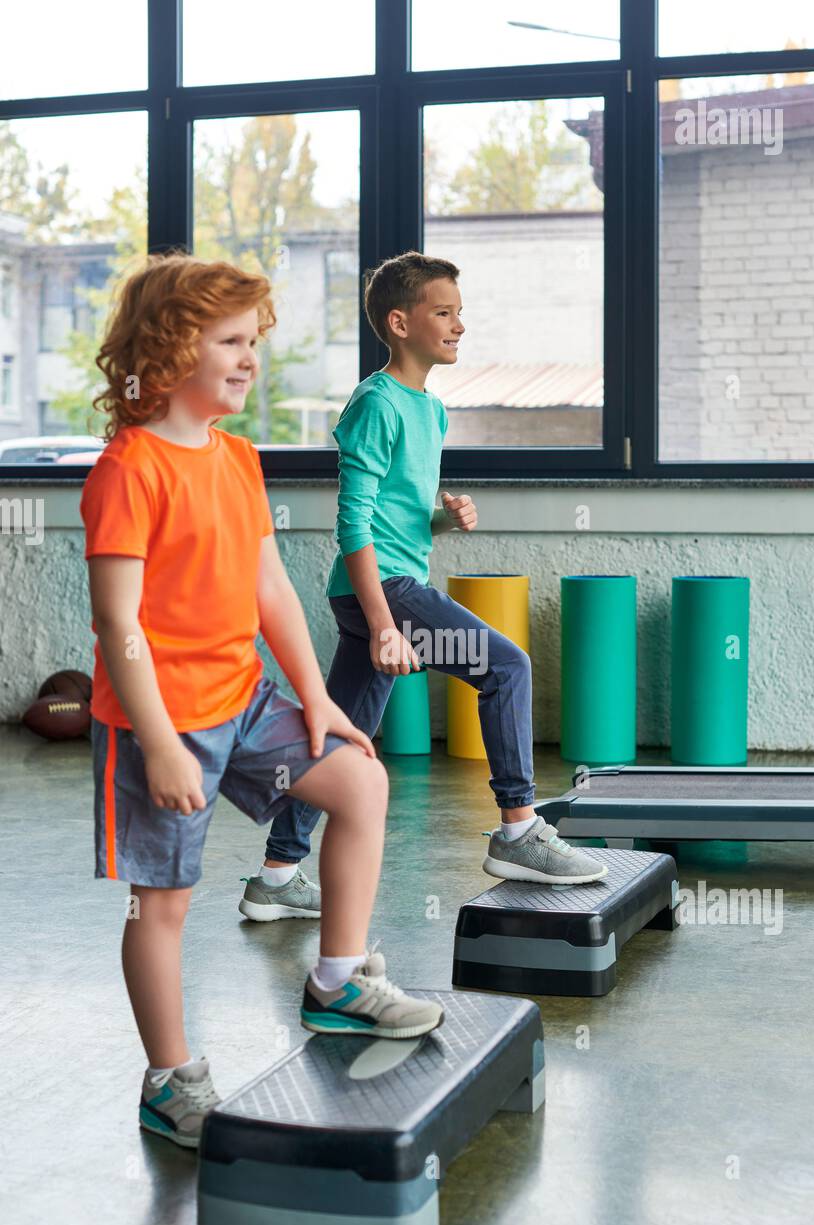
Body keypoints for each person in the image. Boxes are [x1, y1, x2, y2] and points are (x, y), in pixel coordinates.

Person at [81, 253, 443, 1150]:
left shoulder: (236, 459)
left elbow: (271, 590)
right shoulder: (130, 471)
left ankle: (338, 984)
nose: (250, 360)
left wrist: (317, 698)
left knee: (358, 782)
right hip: (158, 720)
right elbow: (118, 625)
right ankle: (170, 1080)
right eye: (231, 343)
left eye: (255, 344)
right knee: (161, 903)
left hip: (244, 702)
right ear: (168, 352)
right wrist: (162, 743)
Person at [239, 250, 607, 926]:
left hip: (379, 590)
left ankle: (276, 874)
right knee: (506, 666)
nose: (459, 326)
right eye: (444, 312)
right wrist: (383, 623)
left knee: (342, 738)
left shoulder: (429, 411)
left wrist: (443, 515)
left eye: (460, 314)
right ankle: (518, 829)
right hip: (382, 591)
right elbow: (350, 521)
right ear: (400, 322)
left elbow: (389, 513)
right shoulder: (376, 402)